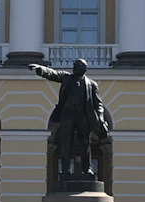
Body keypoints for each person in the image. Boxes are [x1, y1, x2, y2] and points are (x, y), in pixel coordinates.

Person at [28, 58, 113, 190]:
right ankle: (65, 170)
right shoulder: (66, 78)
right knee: (65, 143)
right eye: (74, 65)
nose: (74, 67)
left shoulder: (92, 84)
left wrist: (100, 118)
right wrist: (40, 69)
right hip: (68, 115)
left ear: (84, 68)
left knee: (85, 143)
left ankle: (87, 169)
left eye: (77, 65)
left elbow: (98, 104)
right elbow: (53, 74)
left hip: (83, 116)